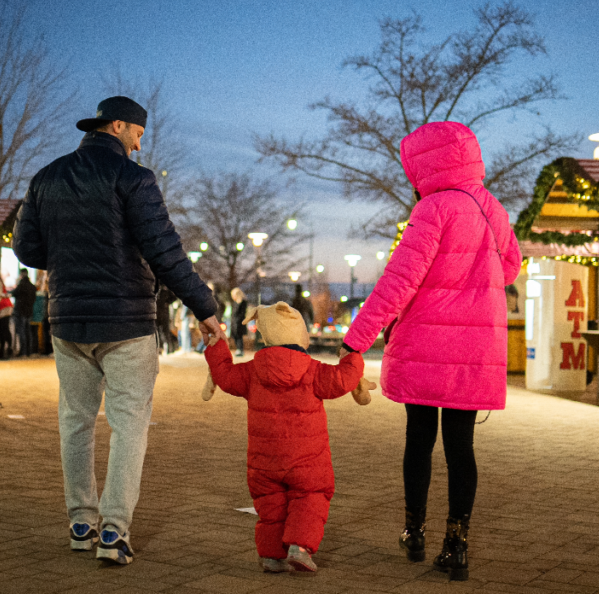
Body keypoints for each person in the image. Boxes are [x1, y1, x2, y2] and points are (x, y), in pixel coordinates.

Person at [13, 95, 225, 565]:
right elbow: (165, 251)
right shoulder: (133, 179)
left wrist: (70, 259)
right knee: (129, 426)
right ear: (119, 127)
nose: (139, 144)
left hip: (68, 322)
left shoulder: (46, 178)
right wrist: (204, 307)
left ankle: (80, 522)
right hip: (127, 323)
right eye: (138, 134)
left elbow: (26, 248)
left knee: (76, 422)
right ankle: (114, 532)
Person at [339, 122, 521, 582]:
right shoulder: (491, 207)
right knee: (462, 447)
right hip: (475, 349)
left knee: (418, 440)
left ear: (424, 163)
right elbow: (511, 266)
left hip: (424, 344)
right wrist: (473, 291)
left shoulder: (432, 209)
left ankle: (414, 531)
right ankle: (457, 546)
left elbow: (399, 283)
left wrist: (355, 341)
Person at [204, 302, 364, 573]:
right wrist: (353, 357)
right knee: (311, 496)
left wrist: (217, 346)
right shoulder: (313, 371)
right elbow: (342, 379)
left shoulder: (253, 371)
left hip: (264, 462)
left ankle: (271, 556)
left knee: (270, 504)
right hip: (308, 461)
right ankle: (299, 547)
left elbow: (225, 375)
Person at [11, 269, 37, 357]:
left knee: (21, 331)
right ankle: (29, 351)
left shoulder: (21, 285)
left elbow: (14, 293)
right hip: (29, 311)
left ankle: (23, 351)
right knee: (28, 331)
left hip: (20, 311)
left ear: (21, 275)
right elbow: (34, 299)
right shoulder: (32, 286)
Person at [229, 287, 248, 356]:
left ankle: (240, 350)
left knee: (239, 336)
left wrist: (238, 321)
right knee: (234, 336)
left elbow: (242, 313)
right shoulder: (234, 303)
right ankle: (238, 349)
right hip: (234, 322)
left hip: (239, 322)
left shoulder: (243, 302)